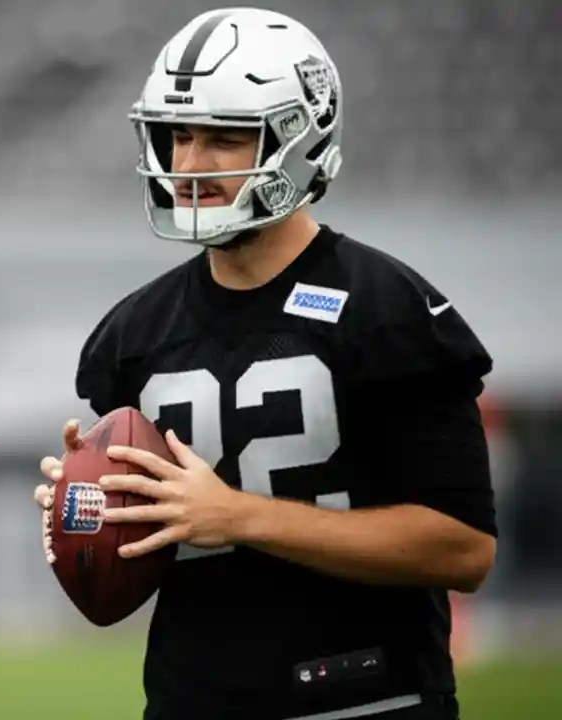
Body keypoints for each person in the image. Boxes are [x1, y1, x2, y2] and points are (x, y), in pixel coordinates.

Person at [34, 8, 496, 719]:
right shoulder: (134, 332)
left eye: (225, 138)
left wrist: (241, 517)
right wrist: (93, 512)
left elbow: (463, 549)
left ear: (299, 139)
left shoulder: (386, 309)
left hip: (366, 700)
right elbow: (125, 583)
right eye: (178, 135)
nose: (189, 164)